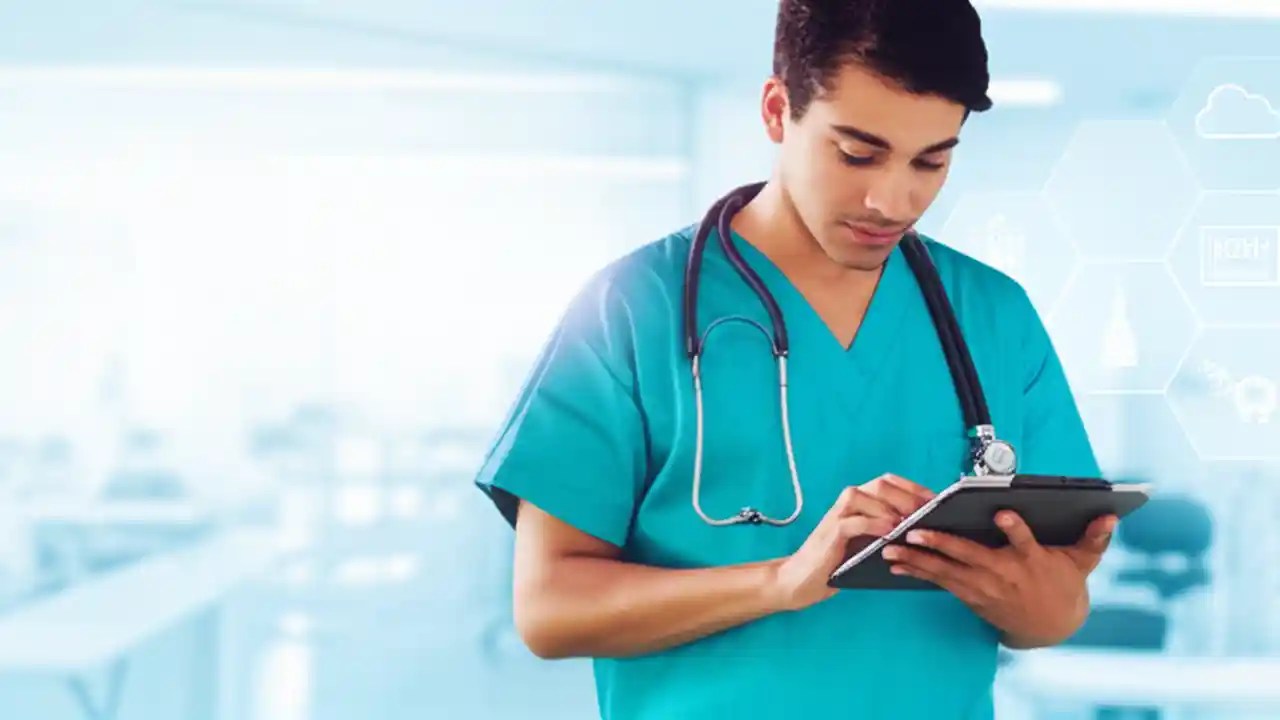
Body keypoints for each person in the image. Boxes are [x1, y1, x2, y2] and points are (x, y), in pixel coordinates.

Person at [474, 0, 1117, 717]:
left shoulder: (993, 315)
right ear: (779, 111)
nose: (891, 199)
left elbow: (1053, 617)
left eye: (931, 161)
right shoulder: (633, 308)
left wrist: (1040, 599)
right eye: (856, 153)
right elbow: (548, 610)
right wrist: (780, 581)